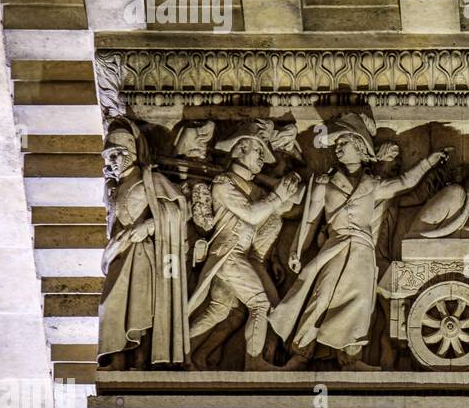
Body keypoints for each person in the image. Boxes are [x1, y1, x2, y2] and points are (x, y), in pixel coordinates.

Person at [271, 113, 448, 370]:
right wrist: (296, 250)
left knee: (360, 305)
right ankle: (300, 354)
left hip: (363, 251)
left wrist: (428, 162)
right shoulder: (325, 184)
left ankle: (350, 359)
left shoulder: (372, 184)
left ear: (359, 145)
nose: (338, 148)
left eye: (344, 143)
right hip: (336, 247)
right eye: (337, 145)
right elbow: (309, 220)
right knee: (321, 297)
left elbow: (404, 182)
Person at [187, 121, 302, 370]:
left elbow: (293, 205)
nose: (261, 157)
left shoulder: (255, 189)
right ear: (239, 150)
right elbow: (251, 214)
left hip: (239, 256)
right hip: (228, 254)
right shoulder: (224, 183)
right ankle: (253, 361)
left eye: (263, 153)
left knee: (224, 312)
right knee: (260, 305)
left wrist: (278, 185)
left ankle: (191, 355)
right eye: (256, 151)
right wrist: (278, 194)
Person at [97, 121, 192, 369]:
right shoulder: (113, 189)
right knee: (110, 306)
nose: (114, 160)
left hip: (143, 254)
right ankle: (117, 358)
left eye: (119, 153)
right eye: (110, 155)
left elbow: (179, 211)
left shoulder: (151, 180)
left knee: (141, 308)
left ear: (132, 154)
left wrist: (147, 227)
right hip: (119, 253)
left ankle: (139, 361)